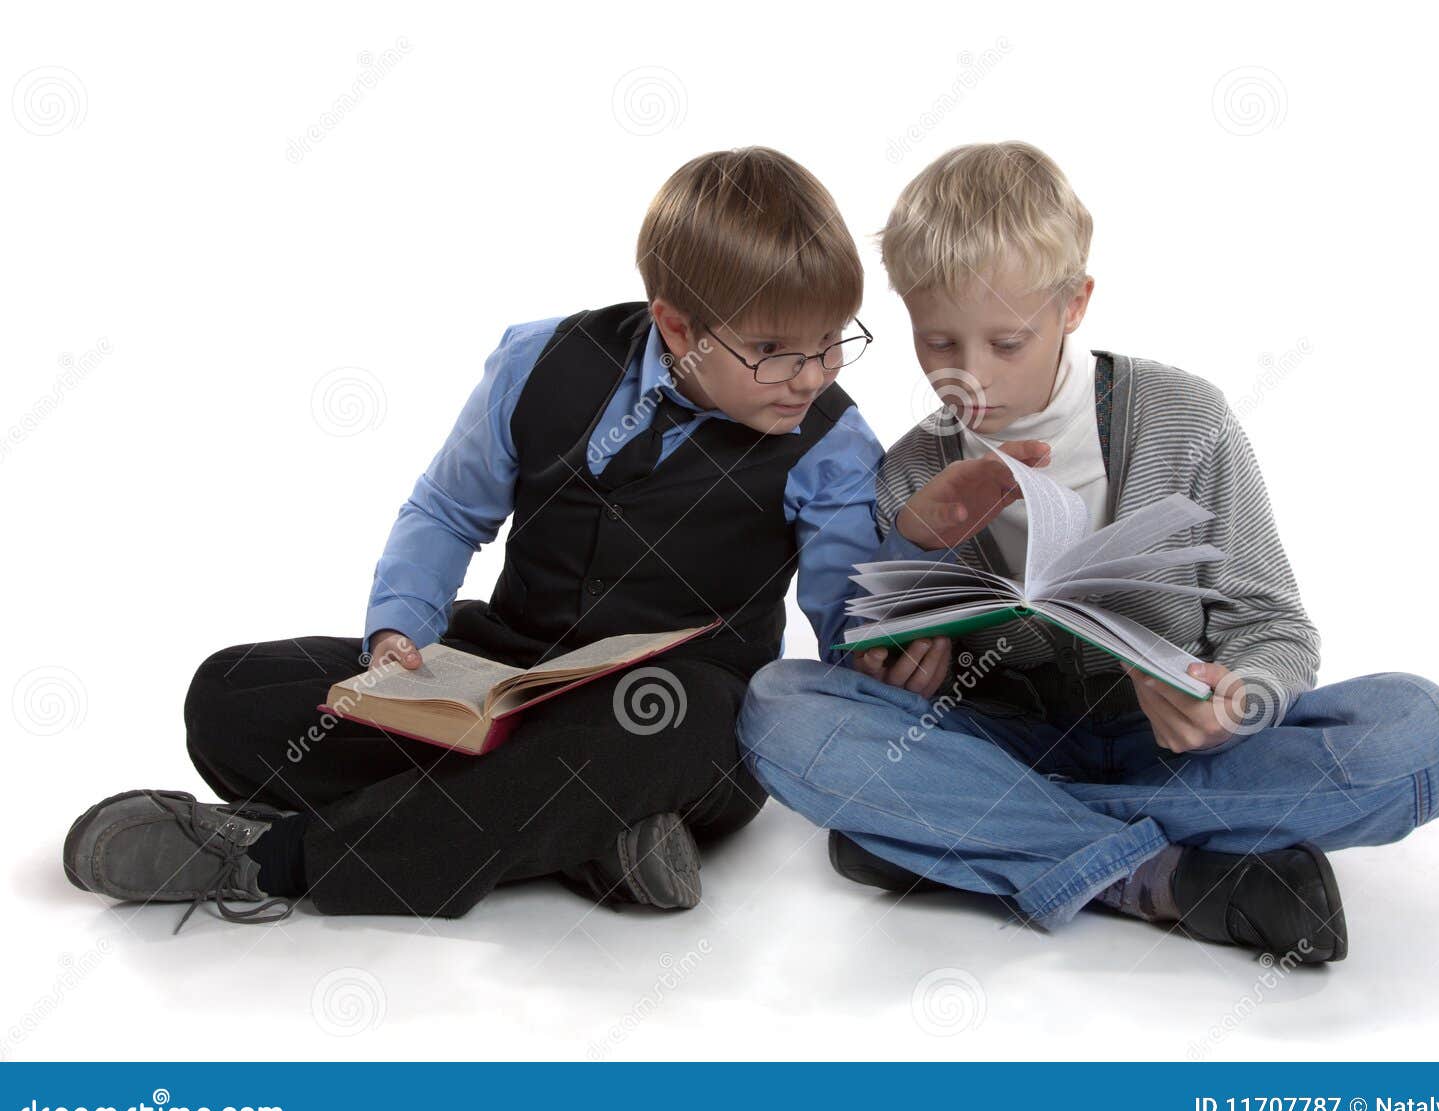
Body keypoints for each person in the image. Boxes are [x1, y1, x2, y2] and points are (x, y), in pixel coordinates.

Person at [63, 147, 894, 933]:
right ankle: (579, 842)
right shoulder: (541, 361)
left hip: (674, 715)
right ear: (677, 327)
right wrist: (400, 636)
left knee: (654, 727)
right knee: (232, 693)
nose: (813, 374)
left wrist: (899, 636)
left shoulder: (833, 446)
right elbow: (449, 512)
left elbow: (846, 627)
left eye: (833, 343)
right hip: (505, 674)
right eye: (773, 351)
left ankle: (272, 862)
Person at [735, 142, 1439, 963]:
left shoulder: (1184, 417)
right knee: (781, 707)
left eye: (1007, 343)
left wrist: (1239, 703)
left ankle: (974, 837)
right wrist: (893, 653)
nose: (970, 379)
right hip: (997, 740)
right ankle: (1154, 876)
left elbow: (1272, 625)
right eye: (939, 344)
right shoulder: (913, 468)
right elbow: (864, 661)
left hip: (1173, 754)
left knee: (1422, 734)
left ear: (1075, 303)